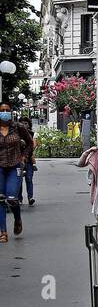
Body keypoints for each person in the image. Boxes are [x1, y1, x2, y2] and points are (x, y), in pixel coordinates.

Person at [0, 104, 33, 244]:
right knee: (0, 199)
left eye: (7, 110)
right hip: (0, 167)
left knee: (12, 198)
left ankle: (17, 218)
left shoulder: (18, 127)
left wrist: (24, 156)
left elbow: (30, 143)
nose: (5, 113)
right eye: (2, 111)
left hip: (15, 166)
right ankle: (3, 232)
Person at [18, 116, 36, 206]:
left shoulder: (31, 134)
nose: (24, 125)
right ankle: (19, 198)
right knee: (19, 180)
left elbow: (32, 145)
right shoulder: (16, 133)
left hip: (28, 160)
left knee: (29, 179)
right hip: (18, 160)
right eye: (22, 123)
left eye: (26, 123)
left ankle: (30, 197)